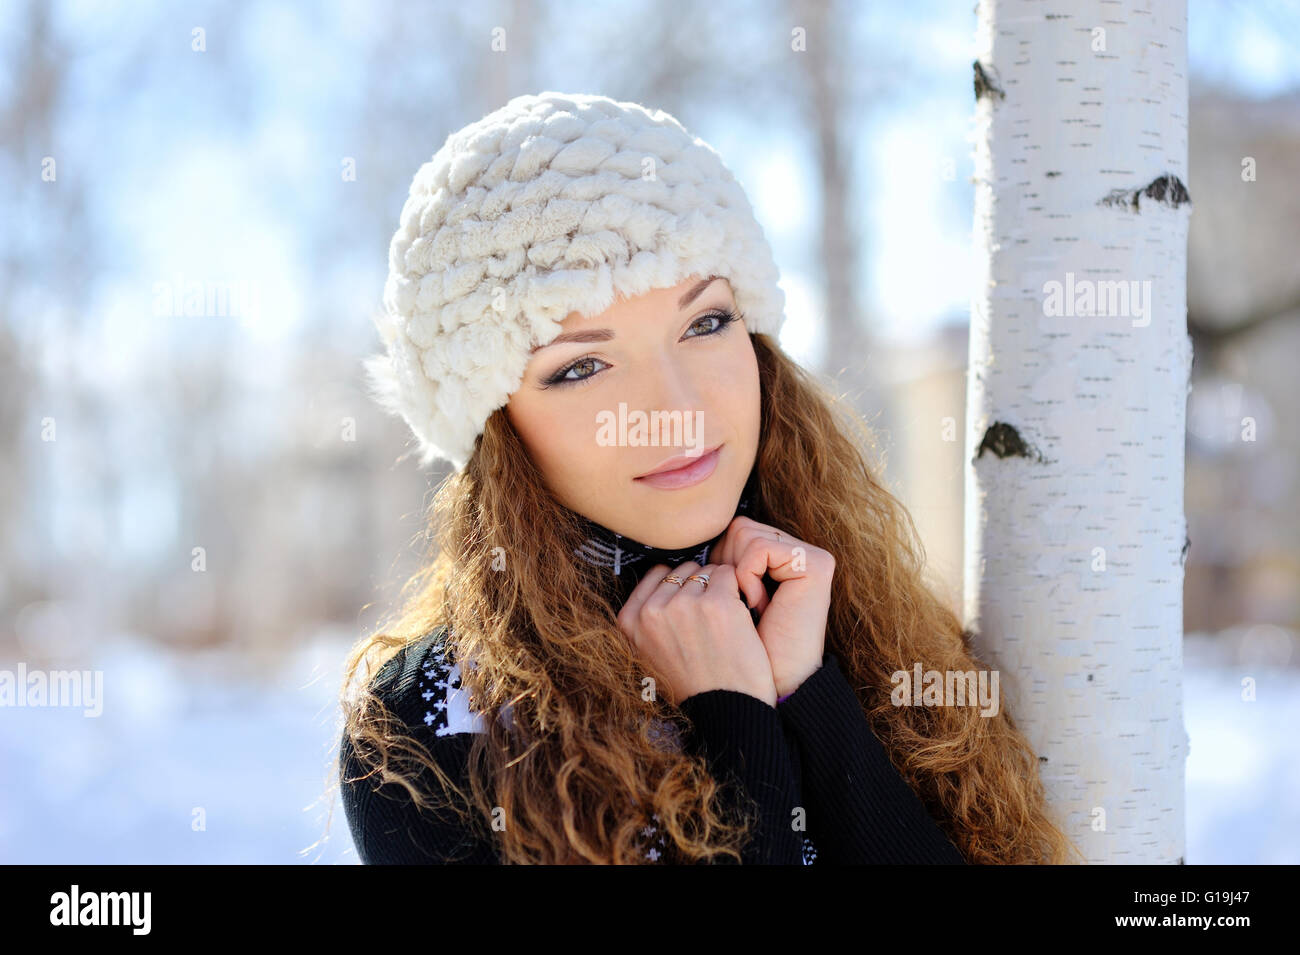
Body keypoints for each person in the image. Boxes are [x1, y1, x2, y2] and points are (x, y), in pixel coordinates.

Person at [335, 91, 1080, 865]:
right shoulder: (426, 729)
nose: (677, 409)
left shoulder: (867, 625)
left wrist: (812, 698)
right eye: (582, 365)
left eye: (706, 323)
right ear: (494, 426)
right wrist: (737, 721)